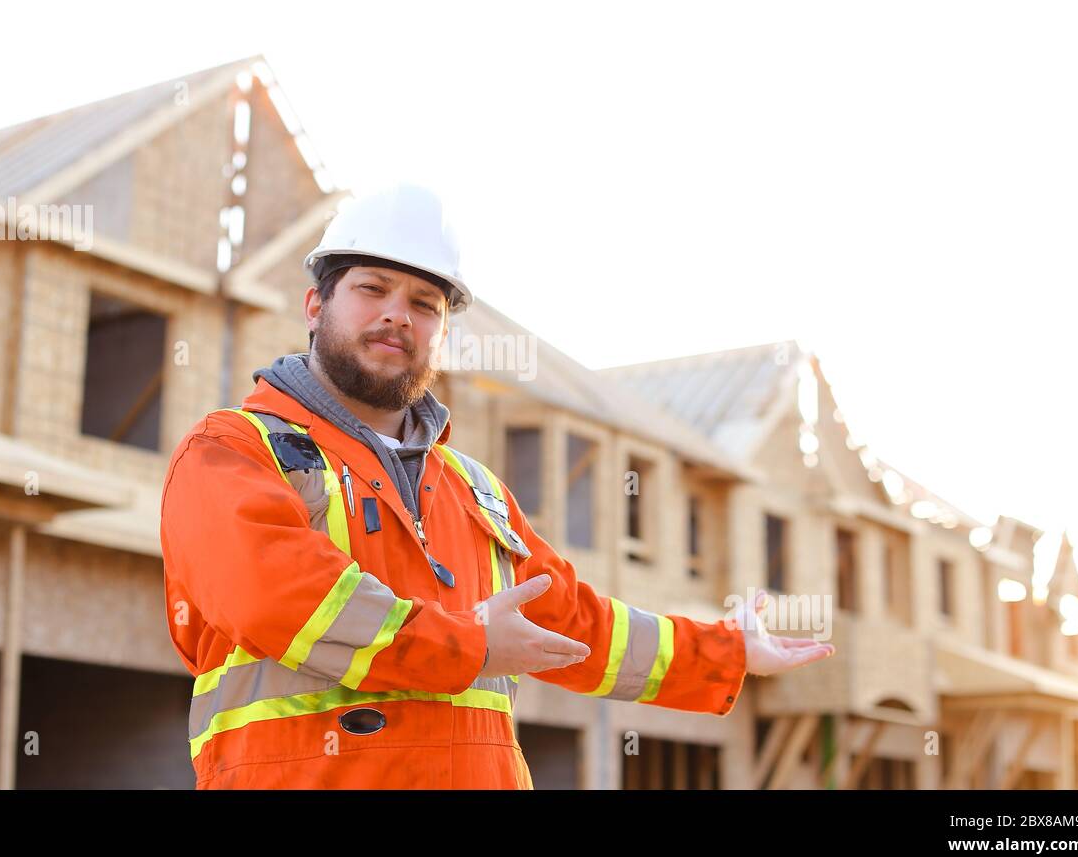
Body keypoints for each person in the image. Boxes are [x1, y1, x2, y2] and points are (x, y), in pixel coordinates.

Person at [160, 183, 834, 789]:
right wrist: (470, 646)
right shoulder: (232, 450)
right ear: (315, 305)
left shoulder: (472, 488)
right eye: (372, 289)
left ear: (442, 335)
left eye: (424, 304)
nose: (399, 315)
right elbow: (283, 599)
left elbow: (570, 620)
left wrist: (725, 649)